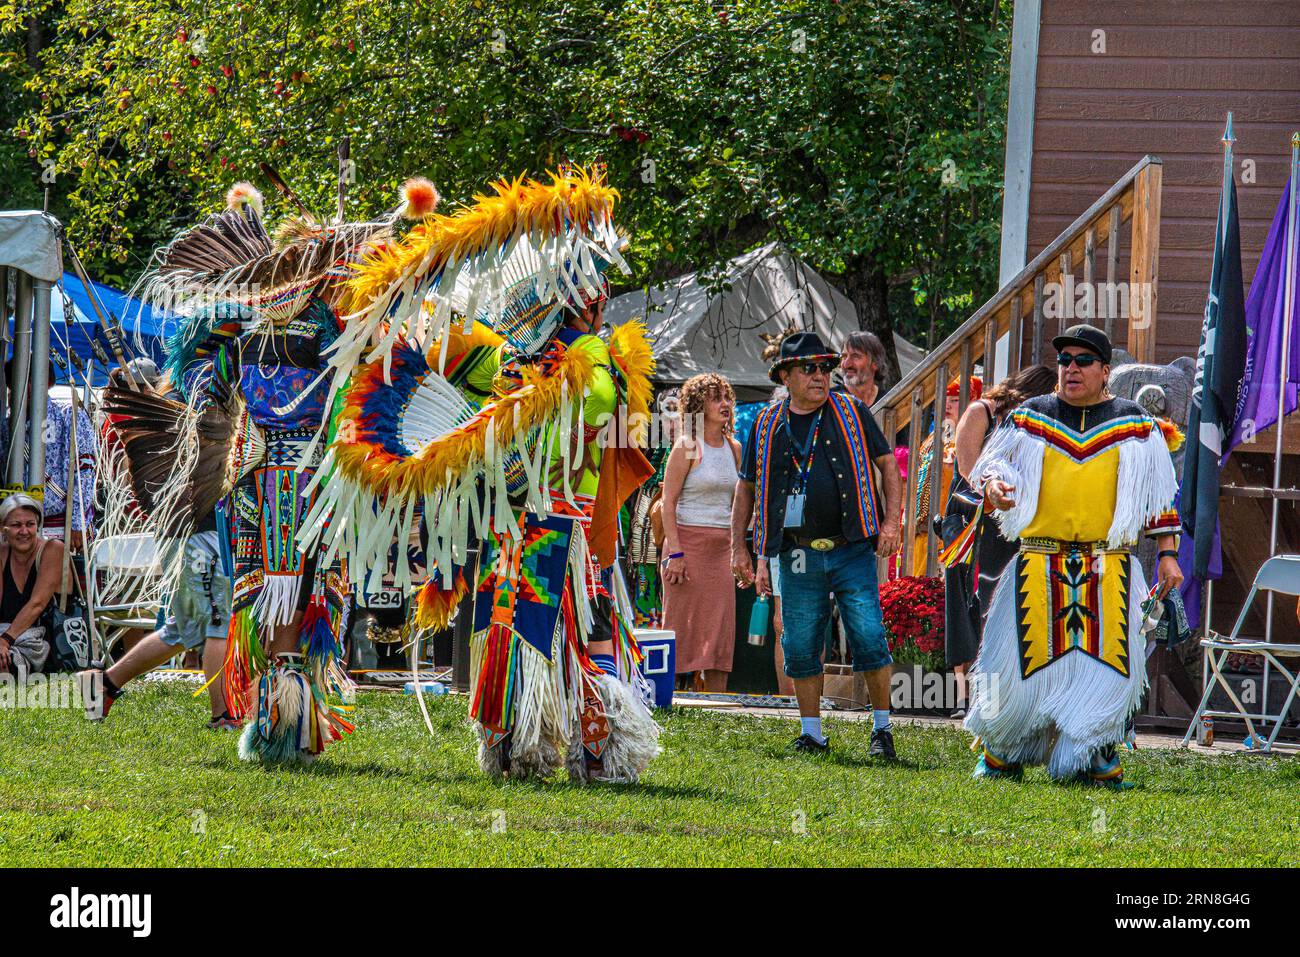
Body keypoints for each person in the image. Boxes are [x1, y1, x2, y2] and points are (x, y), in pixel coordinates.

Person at [303, 166, 662, 783]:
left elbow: (594, 405)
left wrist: (513, 418)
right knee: (519, 627)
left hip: (557, 523)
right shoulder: (524, 355)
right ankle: (538, 746)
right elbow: (456, 349)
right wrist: (396, 316)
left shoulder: (590, 356)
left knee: (542, 629)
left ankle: (578, 746)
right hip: (516, 521)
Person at [967, 324, 1183, 788]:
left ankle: (1091, 753)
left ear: (1105, 370)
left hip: (1110, 567)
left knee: (1107, 668)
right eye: (1065, 360)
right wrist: (994, 486)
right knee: (1010, 667)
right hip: (1037, 563)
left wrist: (1167, 553)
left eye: (1083, 361)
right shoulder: (1030, 416)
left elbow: (1159, 495)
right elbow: (995, 462)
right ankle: (1002, 750)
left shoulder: (1134, 424)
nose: (1071, 368)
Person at [731, 332, 903, 756]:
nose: (821, 376)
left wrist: (892, 524)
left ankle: (882, 731)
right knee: (800, 641)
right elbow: (746, 490)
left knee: (868, 634)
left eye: (826, 367)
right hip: (797, 552)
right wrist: (740, 547)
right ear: (785, 375)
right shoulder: (766, 423)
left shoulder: (852, 411)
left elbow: (888, 467)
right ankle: (812, 733)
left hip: (852, 546)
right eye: (809, 368)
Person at [940, 365, 1055, 717]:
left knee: (1006, 606)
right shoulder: (982, 412)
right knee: (969, 602)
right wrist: (994, 490)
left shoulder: (1037, 424)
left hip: (1014, 519)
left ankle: (1009, 696)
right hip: (972, 517)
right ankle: (968, 698)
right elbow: (966, 469)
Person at [661, 373, 741, 692]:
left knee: (720, 628)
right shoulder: (686, 446)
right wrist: (677, 554)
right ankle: (671, 697)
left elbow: (739, 506)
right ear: (698, 405)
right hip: (686, 547)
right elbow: (668, 503)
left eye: (727, 397)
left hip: (722, 551)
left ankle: (717, 707)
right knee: (681, 626)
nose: (725, 404)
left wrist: (741, 552)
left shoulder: (734, 448)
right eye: (715, 397)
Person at [912, 377, 976, 576]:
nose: (947, 404)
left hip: (948, 532)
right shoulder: (935, 438)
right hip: (921, 533)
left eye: (956, 399)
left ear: (972, 399)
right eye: (945, 397)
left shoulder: (974, 439)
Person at [0, 494, 64, 679]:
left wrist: (5, 640)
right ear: (3, 529)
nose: (24, 531)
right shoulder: (3, 552)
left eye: (30, 524)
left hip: (39, 639)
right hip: (5, 634)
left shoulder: (53, 549)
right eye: (16, 525)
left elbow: (37, 604)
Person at [839, 330, 889, 407]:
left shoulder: (889, 401)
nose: (846, 364)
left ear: (875, 363)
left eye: (855, 356)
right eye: (844, 356)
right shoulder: (830, 402)